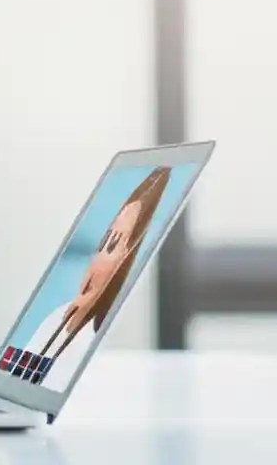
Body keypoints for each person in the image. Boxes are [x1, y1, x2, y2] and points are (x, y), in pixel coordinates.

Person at [16, 166, 171, 390]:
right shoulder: (56, 318)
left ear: (125, 259)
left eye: (114, 245)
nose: (97, 261)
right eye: (104, 241)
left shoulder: (102, 342)